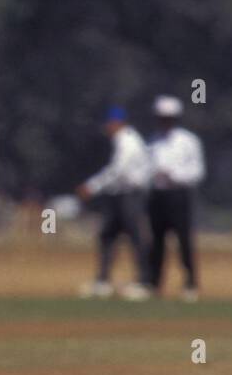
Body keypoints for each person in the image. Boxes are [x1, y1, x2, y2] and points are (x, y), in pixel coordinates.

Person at [75, 106, 150, 300]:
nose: (107, 127)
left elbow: (118, 170)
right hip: (119, 194)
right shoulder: (123, 139)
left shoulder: (128, 141)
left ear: (117, 123)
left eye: (109, 123)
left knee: (135, 237)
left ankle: (143, 282)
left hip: (130, 195)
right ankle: (103, 281)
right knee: (108, 236)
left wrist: (92, 186)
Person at [145, 95, 204, 302]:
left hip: (179, 196)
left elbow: (197, 171)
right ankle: (154, 283)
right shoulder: (152, 141)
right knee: (157, 241)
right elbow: (147, 168)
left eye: (168, 117)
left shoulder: (188, 141)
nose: (164, 121)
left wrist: (174, 176)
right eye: (161, 117)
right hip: (158, 196)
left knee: (184, 241)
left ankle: (190, 284)